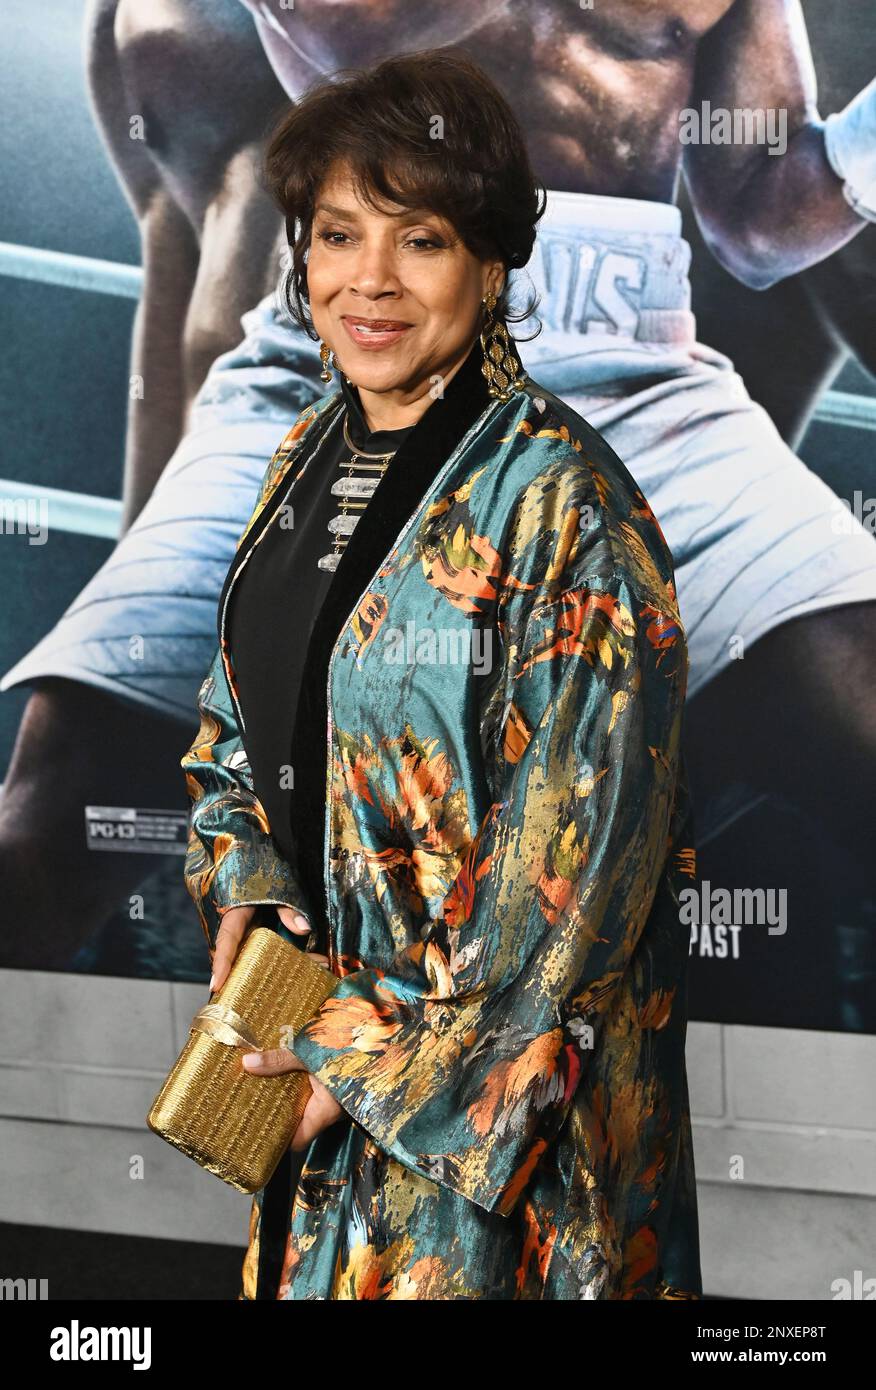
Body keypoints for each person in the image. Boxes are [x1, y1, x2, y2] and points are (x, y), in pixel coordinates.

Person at [2, 3, 874, 1037]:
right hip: (349, 357)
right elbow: (352, 38)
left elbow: (763, 219)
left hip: (633, 365)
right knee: (59, 823)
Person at [180, 51, 702, 1301]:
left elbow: (574, 889)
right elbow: (238, 724)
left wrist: (355, 1061)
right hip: (313, 1095)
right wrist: (248, 880)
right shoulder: (304, 460)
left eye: (418, 241)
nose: (369, 281)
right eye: (337, 235)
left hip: (507, 1168)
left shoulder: (568, 507)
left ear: (492, 262)